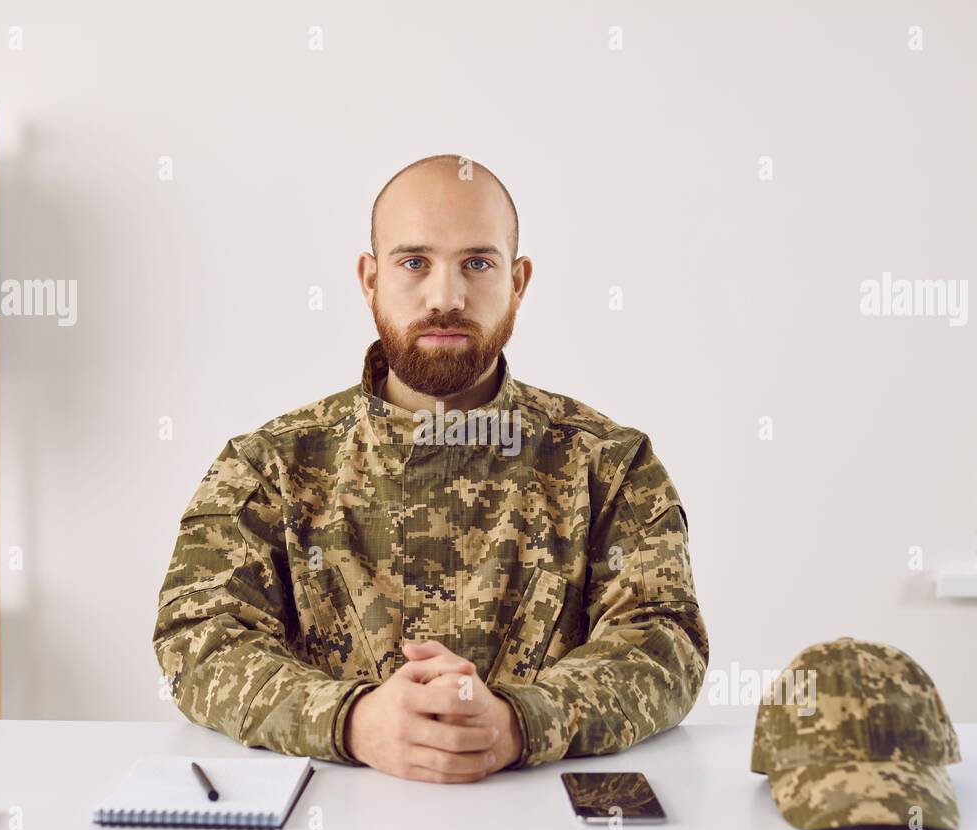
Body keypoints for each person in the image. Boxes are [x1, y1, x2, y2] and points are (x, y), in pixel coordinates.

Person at [152, 154, 709, 783]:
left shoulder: (608, 464)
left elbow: (664, 640)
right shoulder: (271, 466)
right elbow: (199, 639)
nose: (446, 296)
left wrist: (521, 722)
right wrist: (352, 722)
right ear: (370, 279)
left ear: (518, 281)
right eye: (414, 262)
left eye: (477, 263)